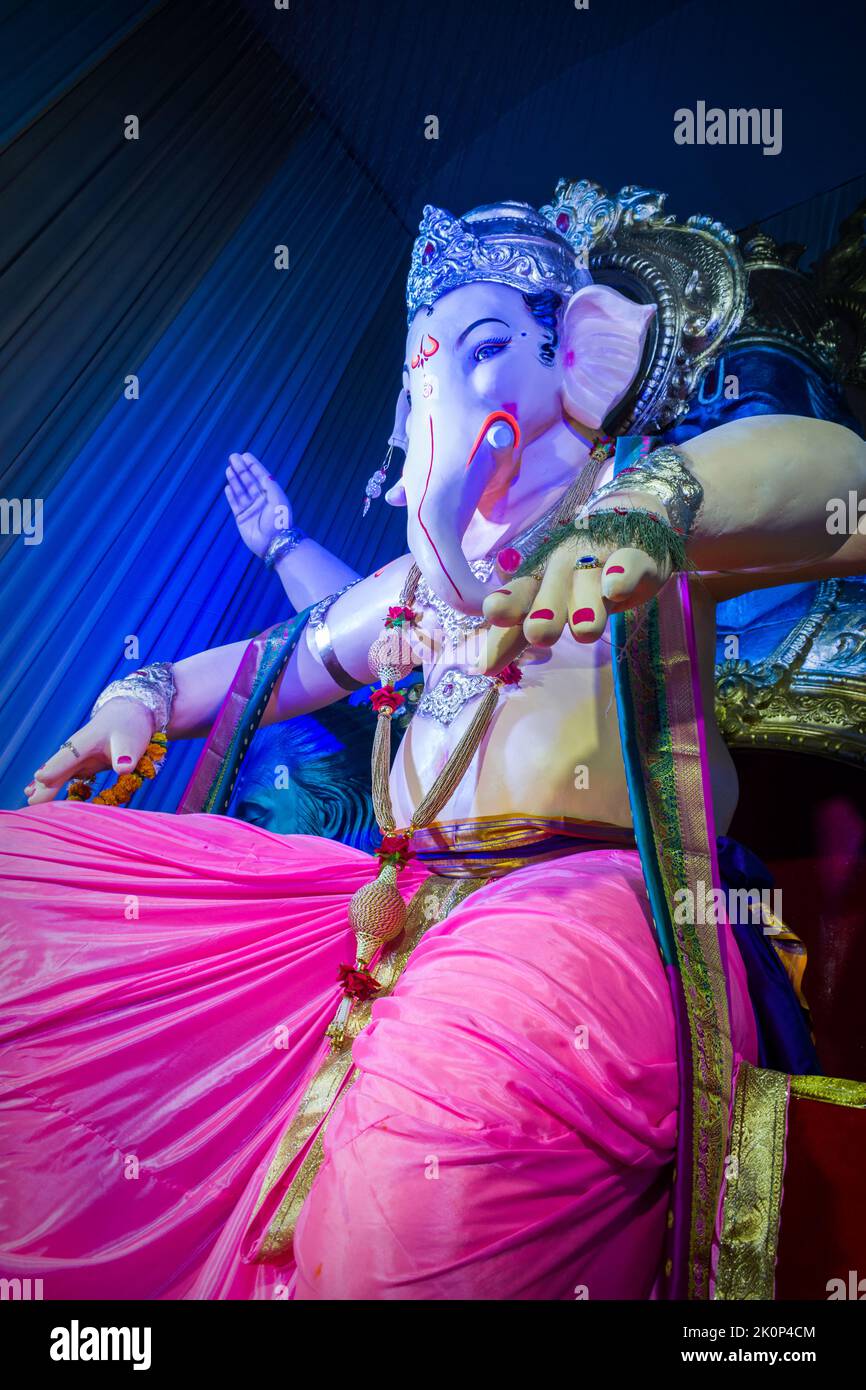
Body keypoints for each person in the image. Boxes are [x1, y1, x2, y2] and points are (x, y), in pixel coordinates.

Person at [2, 192, 864, 1301]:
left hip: (566, 910)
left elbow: (839, 476)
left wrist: (657, 505)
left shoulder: (634, 501)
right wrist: (143, 694)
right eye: (431, 366)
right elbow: (292, 652)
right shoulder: (416, 586)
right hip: (381, 910)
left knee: (409, 1202)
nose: (463, 385)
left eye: (499, 345)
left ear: (584, 354)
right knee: (39, 898)